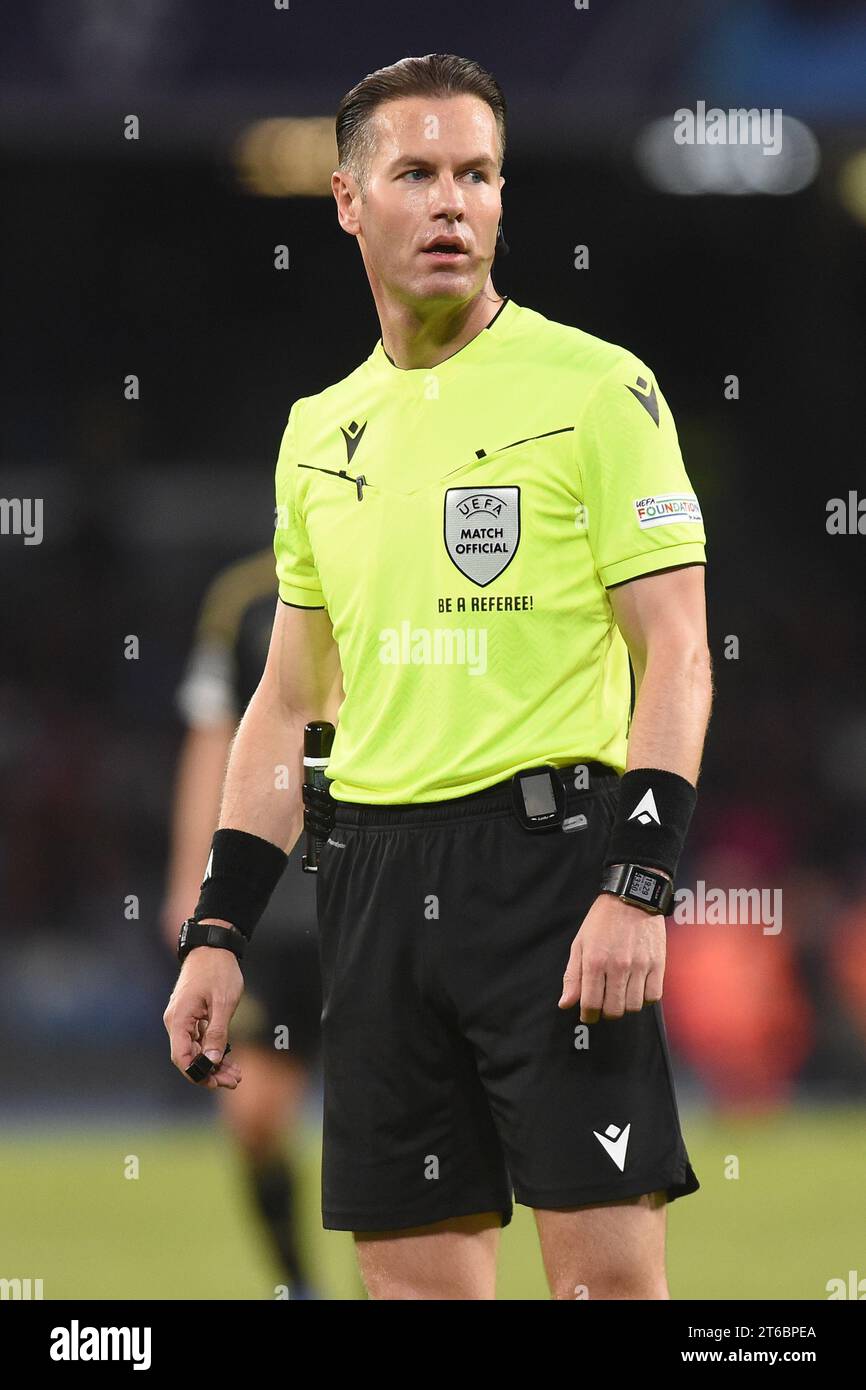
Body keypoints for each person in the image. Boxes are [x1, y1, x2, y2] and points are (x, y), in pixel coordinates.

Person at [164, 52, 714, 1301]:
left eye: (476, 173)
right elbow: (289, 705)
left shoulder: (595, 388)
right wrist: (216, 930)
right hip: (371, 887)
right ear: (349, 201)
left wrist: (638, 878)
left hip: (551, 878)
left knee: (604, 1291)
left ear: (504, 199)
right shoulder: (318, 431)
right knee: (411, 1292)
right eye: (415, 173)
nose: (452, 202)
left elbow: (675, 651)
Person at [161, 549, 324, 1300]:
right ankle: (298, 1286)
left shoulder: (412, 572)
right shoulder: (247, 598)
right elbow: (212, 737)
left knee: (404, 1118)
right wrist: (193, 891)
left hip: (389, 881)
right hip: (276, 894)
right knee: (254, 1114)